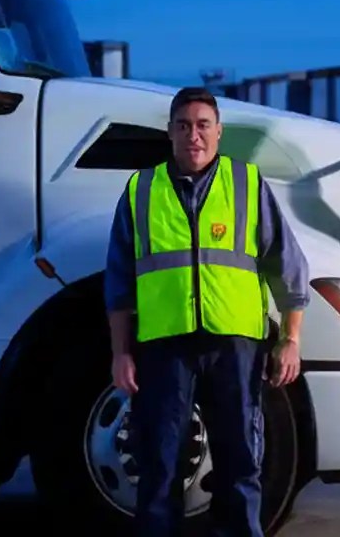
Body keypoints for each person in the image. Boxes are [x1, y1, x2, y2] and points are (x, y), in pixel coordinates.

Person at [104, 86, 309, 537]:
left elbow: (289, 269)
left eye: (202, 125)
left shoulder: (248, 185)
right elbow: (118, 284)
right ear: (170, 132)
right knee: (158, 465)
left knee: (240, 460)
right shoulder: (141, 191)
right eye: (182, 125)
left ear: (219, 132)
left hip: (235, 346)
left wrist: (290, 340)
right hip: (164, 346)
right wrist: (121, 353)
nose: (192, 135)